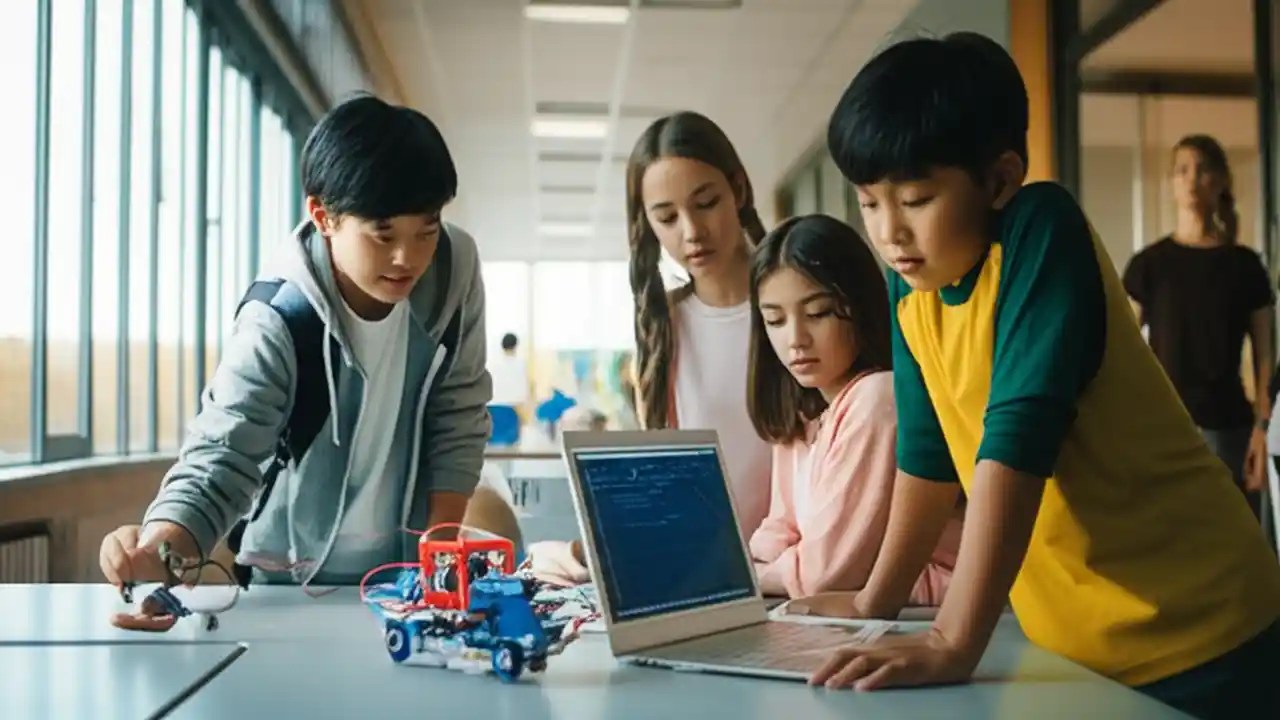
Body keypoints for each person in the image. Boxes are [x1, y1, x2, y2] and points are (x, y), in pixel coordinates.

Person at [794, 32, 1280, 719]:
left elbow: (1016, 440)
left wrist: (952, 639)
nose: (889, 233)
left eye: (916, 199)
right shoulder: (915, 289)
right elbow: (928, 460)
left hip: (1205, 632)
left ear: (998, 180)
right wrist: (877, 600)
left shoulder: (1039, 230)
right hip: (1075, 657)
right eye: (870, 203)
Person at [99, 94, 510, 590]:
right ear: (323, 216)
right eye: (383, 235)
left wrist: (440, 551)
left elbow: (459, 409)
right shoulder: (277, 318)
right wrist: (159, 553)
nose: (408, 256)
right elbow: (222, 458)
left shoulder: (452, 268)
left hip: (407, 578)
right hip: (293, 583)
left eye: (425, 230)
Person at [745, 215, 960, 602]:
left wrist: (744, 581)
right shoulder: (802, 418)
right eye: (775, 320)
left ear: (859, 306)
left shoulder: (879, 399)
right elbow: (779, 531)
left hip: (937, 615)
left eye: (818, 313)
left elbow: (824, 573)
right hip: (864, 610)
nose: (795, 340)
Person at [626, 111, 773, 539]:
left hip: (808, 567)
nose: (692, 232)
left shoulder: (801, 305)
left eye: (706, 203)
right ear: (648, 224)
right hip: (710, 565)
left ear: (738, 190)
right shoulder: (662, 326)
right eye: (667, 218)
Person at [1123, 135, 1274, 513]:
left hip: (1228, 428)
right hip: (1162, 429)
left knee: (1233, 545)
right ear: (1172, 183)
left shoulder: (1245, 265)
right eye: (1181, 170)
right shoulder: (1149, 265)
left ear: (1221, 181)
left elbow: (1265, 358)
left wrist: (1263, 429)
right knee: (1165, 545)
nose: (1191, 179)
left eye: (1203, 169)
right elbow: (1123, 351)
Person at [487, 332, 529, 446]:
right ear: (516, 346)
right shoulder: (520, 364)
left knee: (491, 451)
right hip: (510, 411)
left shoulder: (492, 363)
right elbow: (522, 393)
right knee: (510, 451)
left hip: (491, 410)